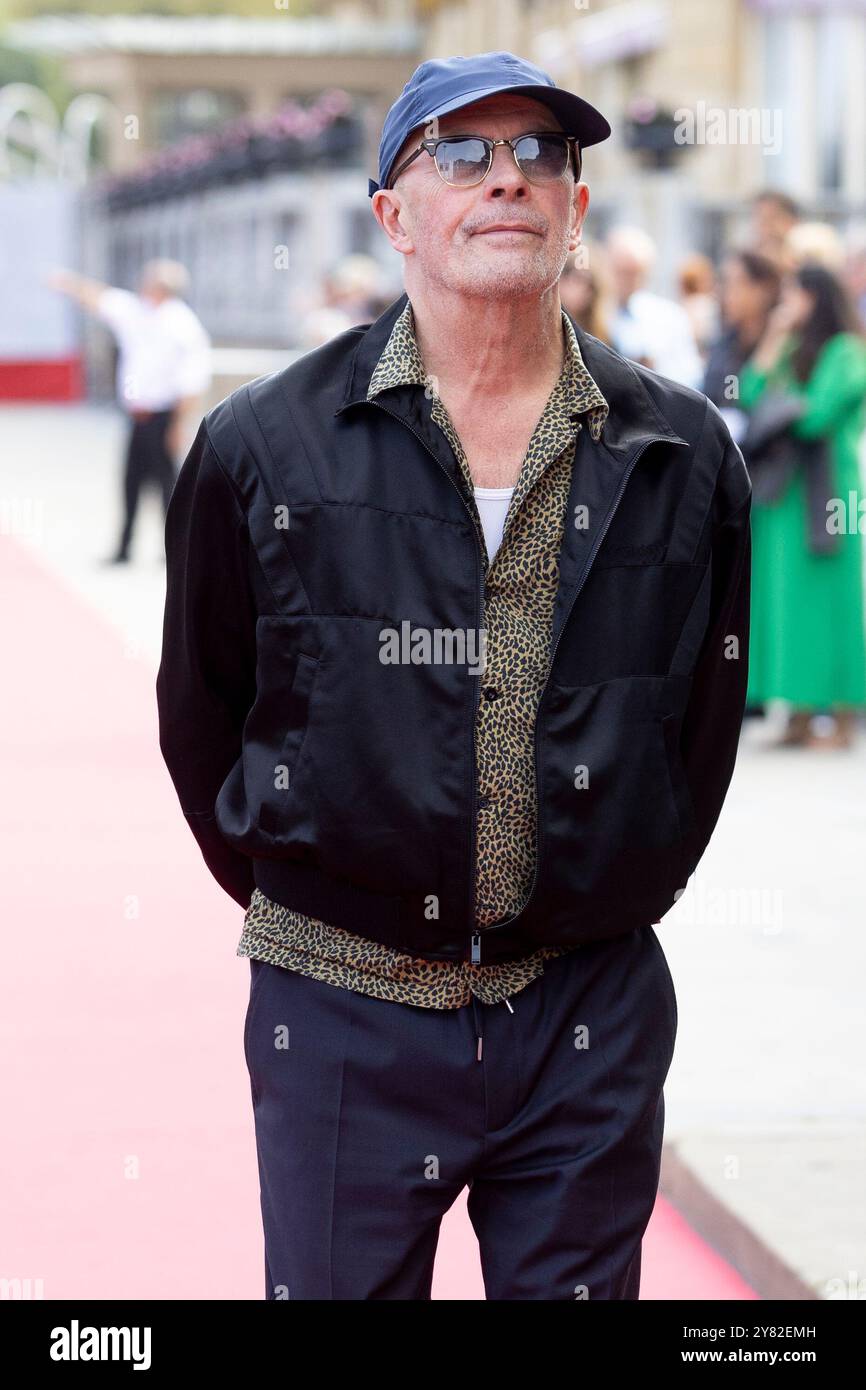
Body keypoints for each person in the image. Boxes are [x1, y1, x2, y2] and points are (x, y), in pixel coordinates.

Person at [156, 52, 751, 1300]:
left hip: (583, 1013)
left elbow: (698, 722)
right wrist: (323, 875)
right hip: (338, 1005)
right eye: (463, 153)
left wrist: (606, 883)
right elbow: (200, 707)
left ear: (578, 210)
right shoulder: (263, 443)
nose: (509, 180)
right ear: (394, 215)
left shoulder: (677, 450)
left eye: (541, 155)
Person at [738, 261, 866, 749]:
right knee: (786, 603)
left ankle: (842, 716)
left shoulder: (848, 351)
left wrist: (780, 405)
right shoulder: (790, 347)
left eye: (795, 294)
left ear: (817, 297)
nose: (786, 303)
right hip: (786, 495)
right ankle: (796, 713)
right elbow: (751, 393)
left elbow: (814, 417)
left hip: (830, 494)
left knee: (833, 602)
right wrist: (773, 338)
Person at [46, 259, 211, 563]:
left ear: (163, 289)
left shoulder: (182, 325)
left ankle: (174, 550)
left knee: (168, 486)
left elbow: (192, 382)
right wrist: (68, 282)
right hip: (138, 415)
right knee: (131, 481)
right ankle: (125, 547)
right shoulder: (137, 312)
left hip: (164, 415)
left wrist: (179, 425)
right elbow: (101, 298)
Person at [605, 224, 705, 388]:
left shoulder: (670, 317)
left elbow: (690, 378)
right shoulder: (590, 313)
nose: (627, 281)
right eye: (621, 271)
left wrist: (652, 374)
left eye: (635, 273)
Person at [702, 248, 782, 442]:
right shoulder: (726, 345)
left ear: (764, 289)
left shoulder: (785, 344)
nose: (725, 294)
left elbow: (750, 402)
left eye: (736, 283)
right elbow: (723, 398)